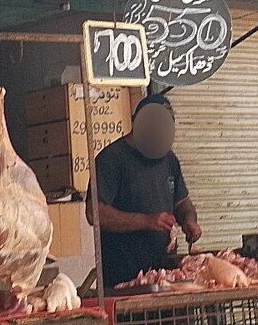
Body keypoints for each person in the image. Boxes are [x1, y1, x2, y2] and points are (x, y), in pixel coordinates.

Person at [86, 94, 202, 288]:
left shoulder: (169, 160)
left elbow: (182, 202)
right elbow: (95, 213)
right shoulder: (111, 160)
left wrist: (189, 221)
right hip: (124, 280)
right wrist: (147, 221)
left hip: (166, 277)